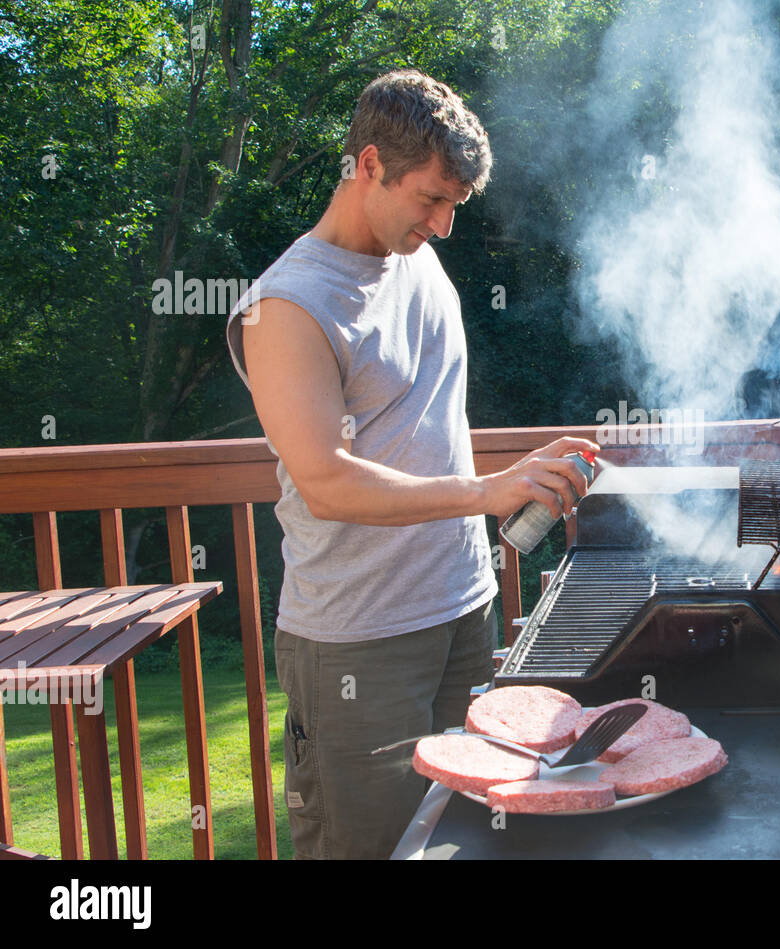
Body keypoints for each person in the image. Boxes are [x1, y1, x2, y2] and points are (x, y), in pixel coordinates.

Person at [225, 70, 598, 859]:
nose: (444, 223)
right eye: (432, 199)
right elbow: (325, 480)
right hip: (360, 643)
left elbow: (423, 426)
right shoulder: (286, 306)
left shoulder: (416, 257)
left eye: (454, 205)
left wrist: (517, 474)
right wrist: (486, 491)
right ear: (367, 167)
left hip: (462, 610)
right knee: (370, 849)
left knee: (467, 841)